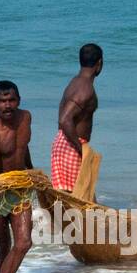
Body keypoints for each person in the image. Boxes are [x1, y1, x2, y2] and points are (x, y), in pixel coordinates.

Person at [0, 80, 34, 273]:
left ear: (19, 100)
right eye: (2, 101)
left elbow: (23, 147)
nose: (8, 105)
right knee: (3, 244)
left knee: (24, 242)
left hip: (21, 184)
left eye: (11, 100)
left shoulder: (26, 118)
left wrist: (31, 171)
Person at [52, 43, 102, 192]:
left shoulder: (75, 82)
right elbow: (64, 119)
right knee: (74, 197)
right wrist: (81, 149)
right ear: (99, 63)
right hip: (72, 145)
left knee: (76, 198)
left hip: (63, 141)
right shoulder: (86, 88)